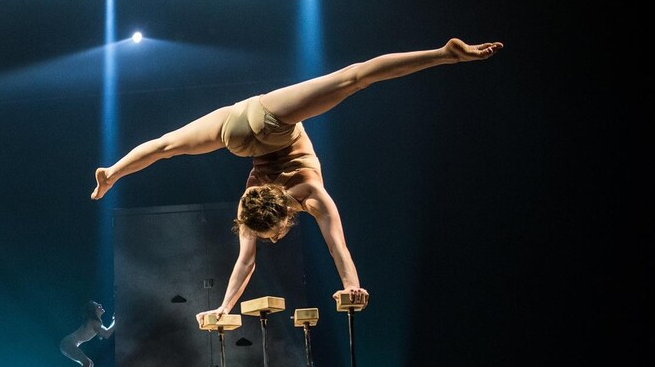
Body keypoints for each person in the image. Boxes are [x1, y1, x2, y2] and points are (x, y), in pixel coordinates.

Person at [90, 38, 504, 323]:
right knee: (353, 77)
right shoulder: (251, 201)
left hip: (260, 126)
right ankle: (113, 170)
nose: (272, 240)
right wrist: (223, 309)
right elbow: (251, 261)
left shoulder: (309, 194)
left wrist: (353, 286)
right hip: (242, 128)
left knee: (354, 78)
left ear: (284, 213)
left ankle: (446, 55)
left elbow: (328, 244)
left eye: (271, 235)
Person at [60, 300, 115, 367]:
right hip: (68, 343)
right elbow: (107, 333)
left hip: (67, 343)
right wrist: (115, 320)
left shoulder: (96, 322)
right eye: (97, 305)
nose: (100, 305)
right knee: (87, 363)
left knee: (90, 364)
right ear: (93, 310)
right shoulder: (94, 322)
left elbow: (105, 332)